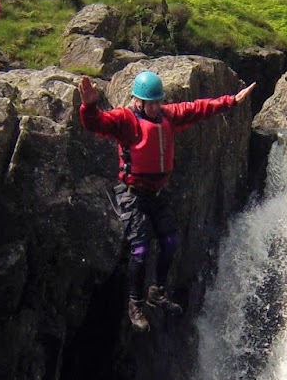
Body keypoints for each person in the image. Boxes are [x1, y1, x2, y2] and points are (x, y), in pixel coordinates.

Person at [77, 69, 256, 332]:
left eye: (158, 102)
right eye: (150, 103)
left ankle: (157, 292)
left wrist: (231, 101)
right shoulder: (126, 120)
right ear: (138, 101)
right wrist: (89, 106)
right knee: (140, 251)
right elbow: (96, 124)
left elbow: (197, 109)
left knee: (170, 243)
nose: (155, 107)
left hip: (156, 194)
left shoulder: (167, 116)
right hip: (132, 195)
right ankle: (135, 304)